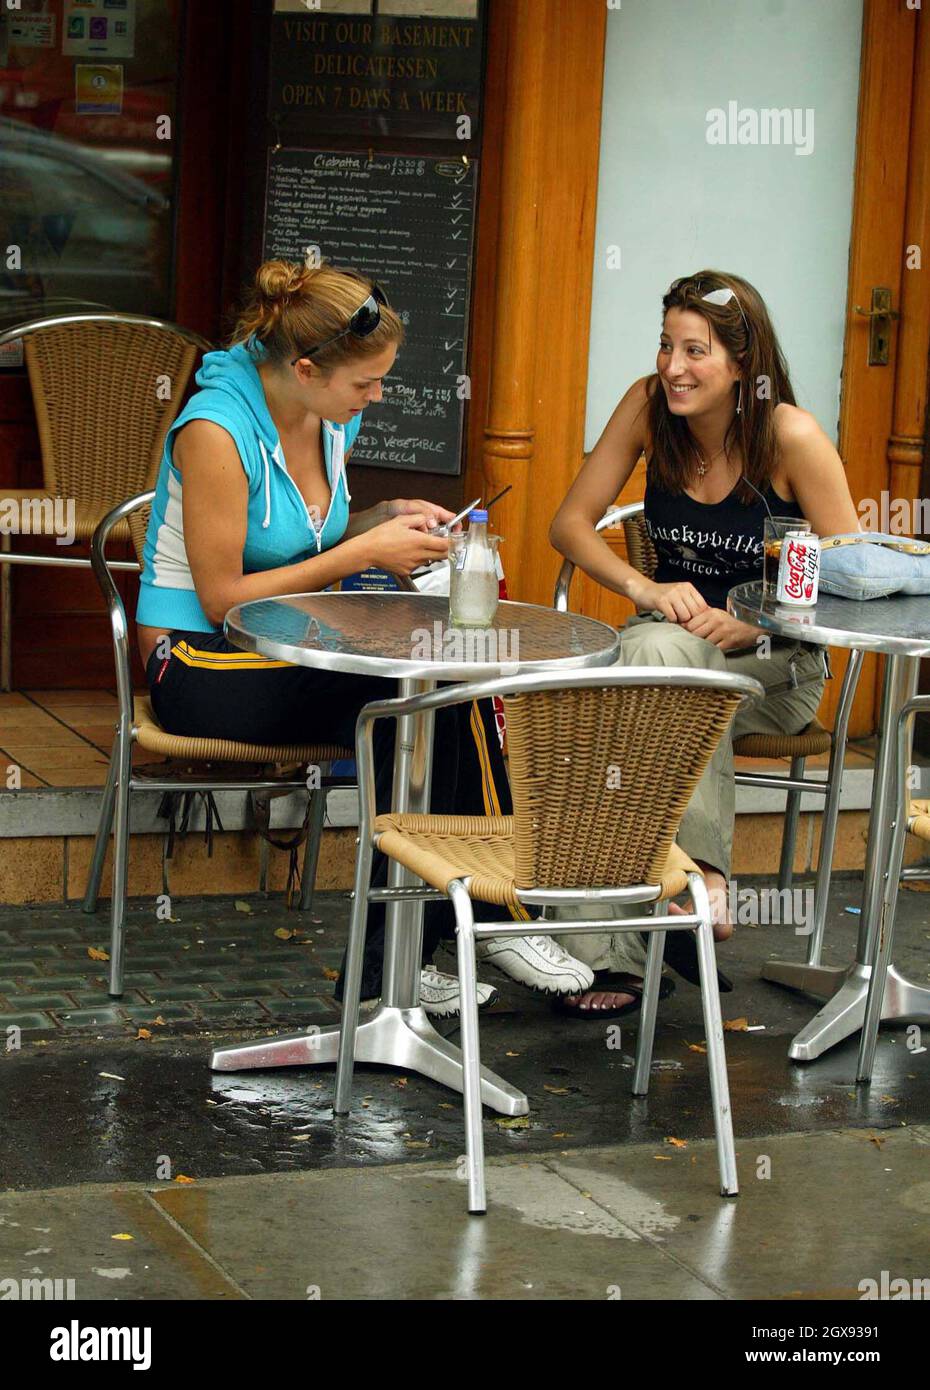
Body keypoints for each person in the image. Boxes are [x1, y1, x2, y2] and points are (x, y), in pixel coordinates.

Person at [136, 258, 596, 1014]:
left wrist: (380, 520)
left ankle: (416, 954)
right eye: (366, 384)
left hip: (290, 642)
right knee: (416, 693)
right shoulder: (215, 431)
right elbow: (222, 598)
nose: (377, 396)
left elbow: (300, 537)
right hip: (194, 661)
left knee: (442, 688)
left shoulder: (329, 415)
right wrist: (359, 557)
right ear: (307, 368)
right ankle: (483, 920)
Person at [549, 270, 861, 1018]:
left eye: (696, 351)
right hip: (664, 648)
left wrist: (759, 620)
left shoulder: (790, 436)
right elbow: (569, 523)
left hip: (776, 668)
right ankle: (696, 891)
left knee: (649, 688)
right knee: (651, 674)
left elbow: (849, 565)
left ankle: (620, 945)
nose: (673, 367)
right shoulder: (649, 408)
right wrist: (643, 589)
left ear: (742, 367)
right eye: (666, 345)